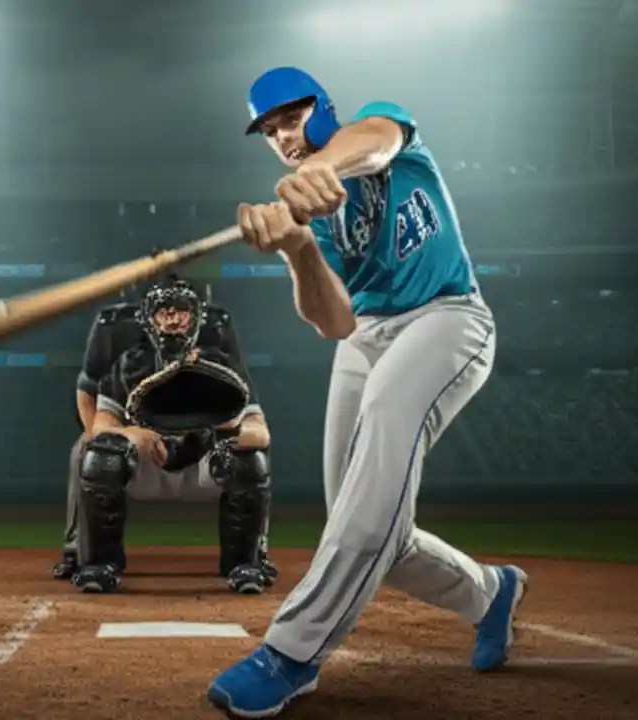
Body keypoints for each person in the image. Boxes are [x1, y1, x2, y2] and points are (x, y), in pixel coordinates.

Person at [206, 67, 527, 717]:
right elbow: (336, 323)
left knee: (375, 465)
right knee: (368, 516)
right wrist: (298, 246)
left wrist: (323, 167)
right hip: (367, 336)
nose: (283, 138)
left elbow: (375, 142)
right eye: (269, 132)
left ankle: (292, 652)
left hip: (446, 317)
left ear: (323, 109)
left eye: (291, 120)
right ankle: (490, 594)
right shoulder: (311, 216)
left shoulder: (377, 128)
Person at [69, 277, 277, 594]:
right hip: (149, 464)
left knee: (250, 461)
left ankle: (245, 563)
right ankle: (100, 563)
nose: (172, 318)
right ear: (150, 320)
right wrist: (134, 434)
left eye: (181, 311)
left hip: (204, 467)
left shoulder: (220, 366)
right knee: (100, 456)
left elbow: (260, 431)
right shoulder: (129, 365)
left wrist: (225, 433)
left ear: (195, 319)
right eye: (164, 311)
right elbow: (99, 427)